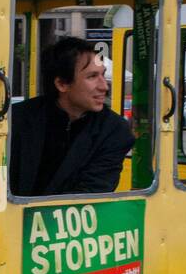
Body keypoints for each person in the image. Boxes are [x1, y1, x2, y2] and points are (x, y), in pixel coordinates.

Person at [9, 36, 134, 196]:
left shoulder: (115, 131)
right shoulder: (17, 119)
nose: (104, 86)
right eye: (92, 76)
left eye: (103, 75)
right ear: (62, 84)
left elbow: (91, 193)